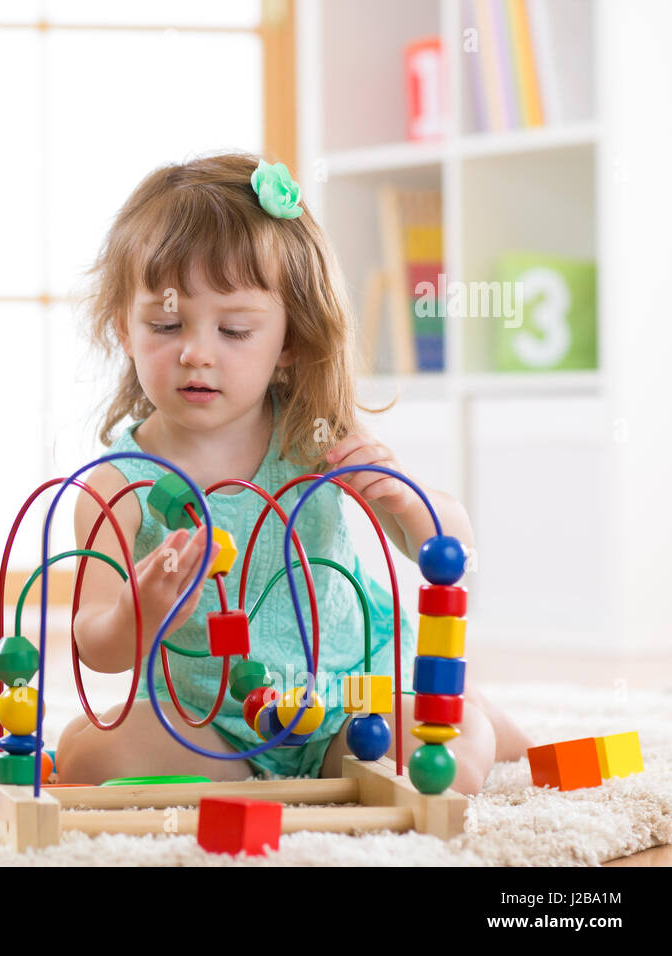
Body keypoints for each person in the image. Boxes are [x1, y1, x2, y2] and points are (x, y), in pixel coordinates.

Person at [56, 153, 533, 795]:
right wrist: (135, 614)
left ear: (287, 344)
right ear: (124, 327)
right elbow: (95, 645)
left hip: (350, 703)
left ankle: (482, 719)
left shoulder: (316, 438)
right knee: (86, 753)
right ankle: (255, 779)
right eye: (166, 325)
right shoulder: (115, 487)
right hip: (208, 724)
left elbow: (451, 550)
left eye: (235, 329)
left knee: (442, 739)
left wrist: (403, 498)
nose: (196, 351)